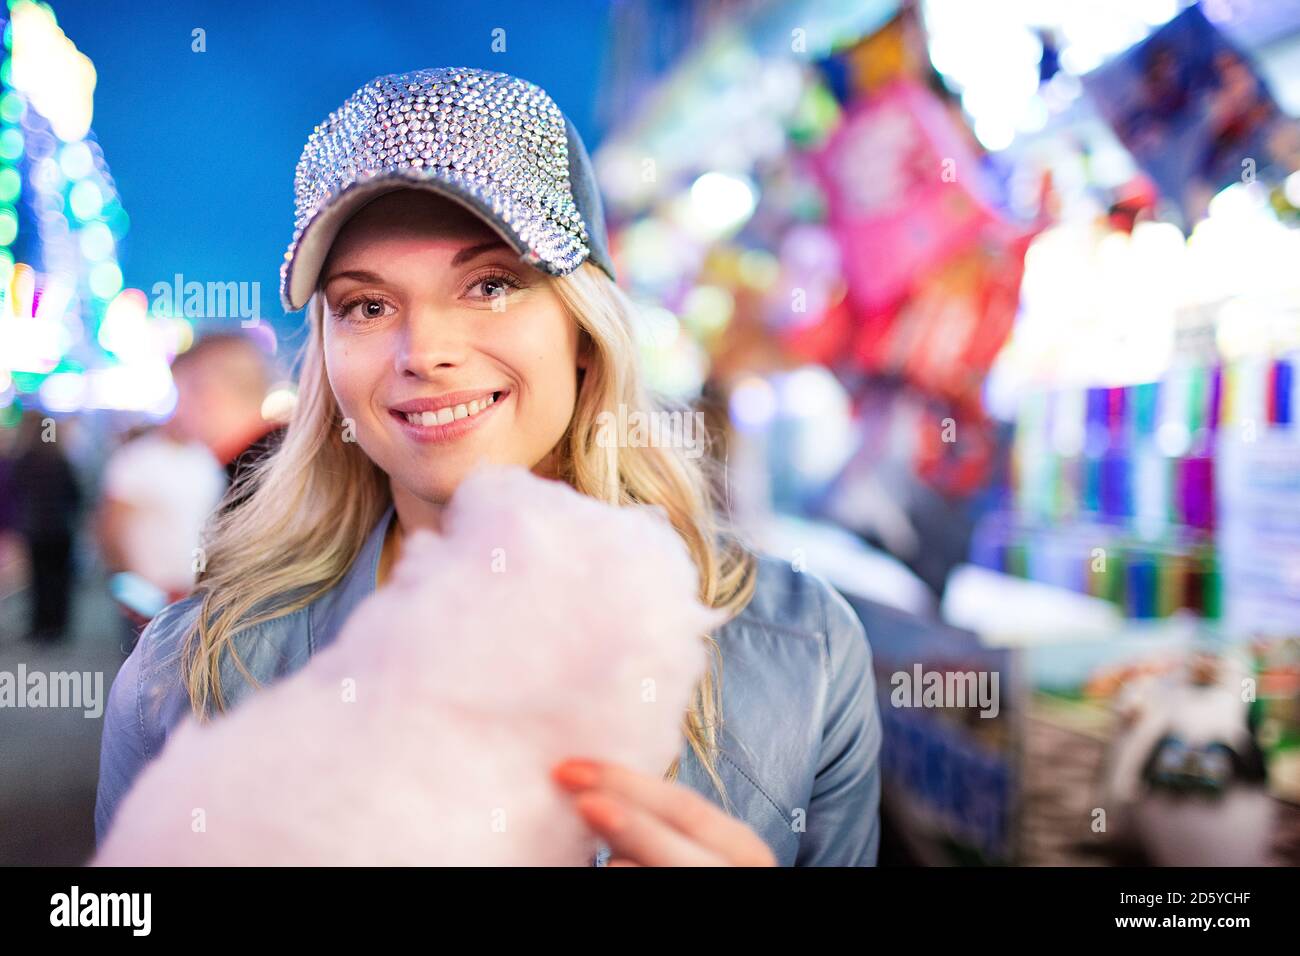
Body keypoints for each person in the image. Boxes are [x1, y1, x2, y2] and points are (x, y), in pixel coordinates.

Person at [95, 67, 882, 866]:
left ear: (582, 328)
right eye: (367, 305)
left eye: (491, 284)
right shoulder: (186, 678)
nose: (425, 353)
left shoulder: (803, 654)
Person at [9, 410, 82, 642]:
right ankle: (57, 626)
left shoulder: (24, 459)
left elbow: (13, 491)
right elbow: (75, 494)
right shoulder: (60, 460)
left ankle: (40, 625)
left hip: (35, 528)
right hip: (60, 528)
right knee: (60, 579)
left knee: (39, 579)